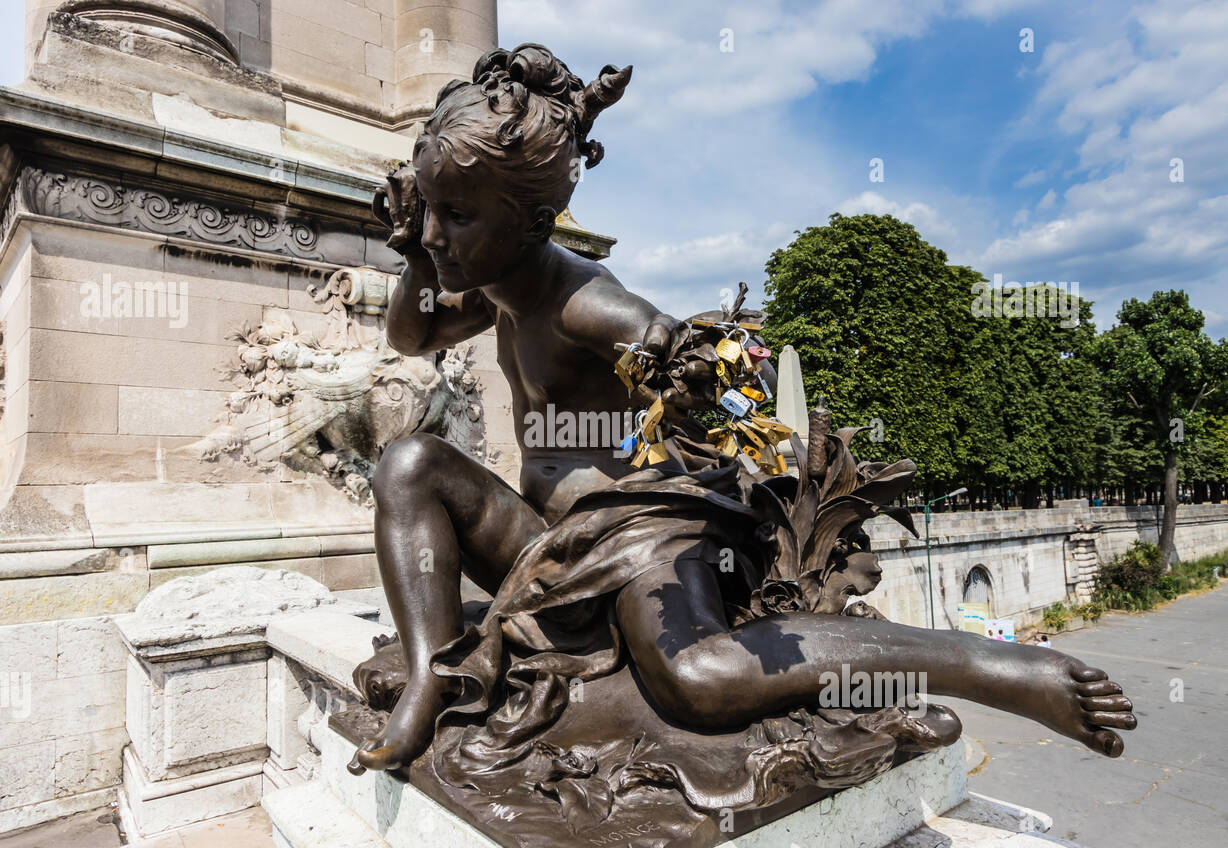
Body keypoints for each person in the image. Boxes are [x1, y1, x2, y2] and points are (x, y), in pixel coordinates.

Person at [348, 43, 1135, 774]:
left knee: (699, 678)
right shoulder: (495, 284)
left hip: (639, 539)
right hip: (550, 539)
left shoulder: (585, 304)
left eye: (454, 216)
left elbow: (684, 357)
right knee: (409, 463)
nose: (435, 232)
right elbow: (414, 333)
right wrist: (414, 251)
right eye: (431, 209)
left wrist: (692, 372)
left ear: (527, 222)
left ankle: (1002, 668)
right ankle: (432, 673)